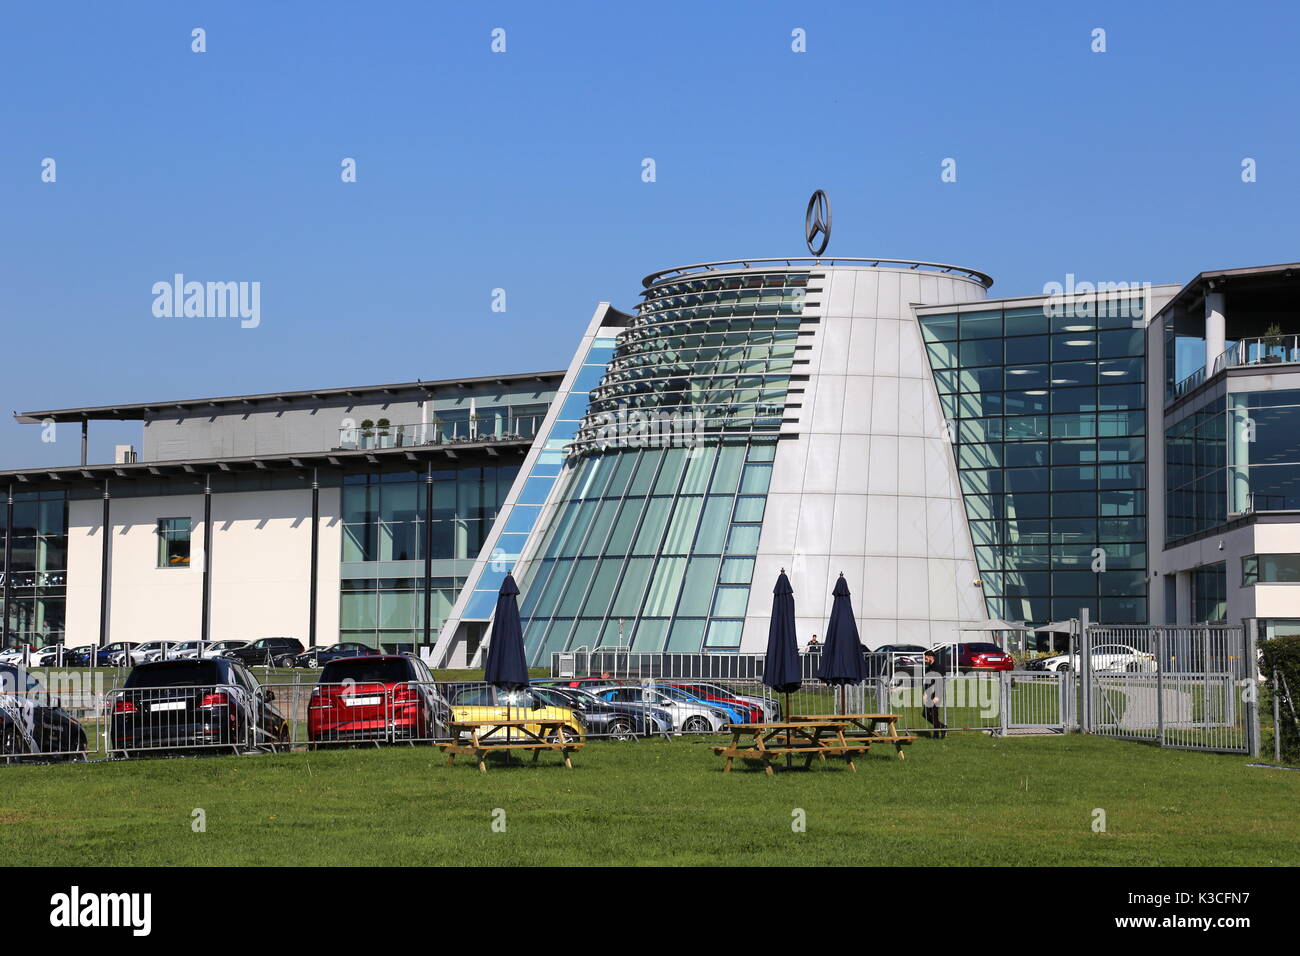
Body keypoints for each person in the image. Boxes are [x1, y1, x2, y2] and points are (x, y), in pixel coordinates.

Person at [921, 649, 948, 739]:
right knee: (925, 714)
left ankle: (936, 735)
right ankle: (942, 727)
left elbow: (940, 682)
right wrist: (925, 693)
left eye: (926, 658)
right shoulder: (928, 668)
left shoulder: (939, 668)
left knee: (934, 714)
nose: (925, 660)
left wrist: (937, 696)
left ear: (931, 657)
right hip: (929, 694)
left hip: (936, 694)